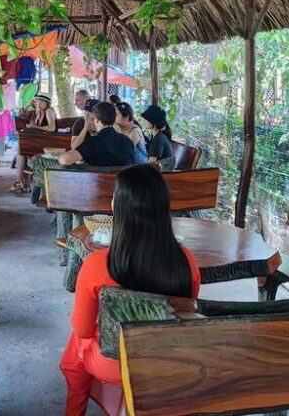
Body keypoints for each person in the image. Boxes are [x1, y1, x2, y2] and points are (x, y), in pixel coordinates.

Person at [60, 165, 201, 415]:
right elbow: (186, 313)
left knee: (75, 347)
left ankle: (75, 410)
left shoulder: (97, 264)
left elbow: (83, 329)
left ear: (119, 207)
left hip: (112, 364)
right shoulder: (187, 260)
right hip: (166, 359)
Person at [60, 102, 136, 167]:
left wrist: (59, 157)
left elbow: (65, 160)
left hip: (98, 183)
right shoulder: (127, 141)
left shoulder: (93, 142)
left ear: (97, 119)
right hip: (122, 183)